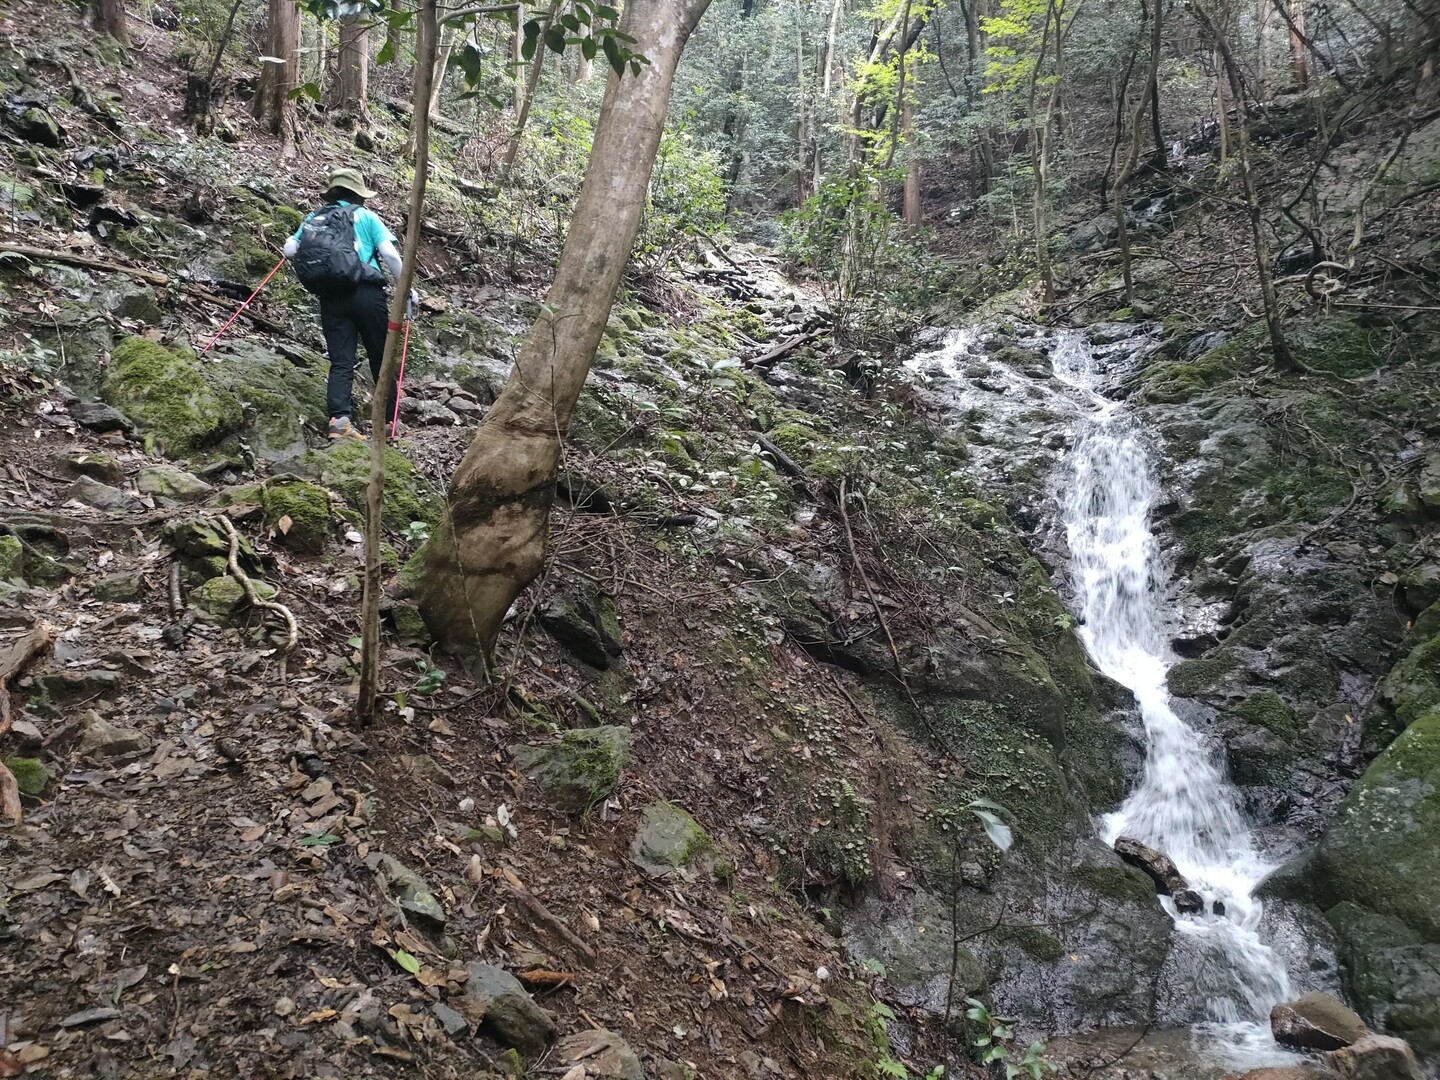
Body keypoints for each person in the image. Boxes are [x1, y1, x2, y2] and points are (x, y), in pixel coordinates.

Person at [283, 167, 417, 440]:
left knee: (341, 360)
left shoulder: (315, 217)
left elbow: (289, 249)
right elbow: (390, 255)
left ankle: (339, 421)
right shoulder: (366, 217)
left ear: (332, 193)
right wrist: (406, 290)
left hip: (331, 296)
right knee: (381, 358)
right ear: (359, 195)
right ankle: (388, 423)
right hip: (367, 293)